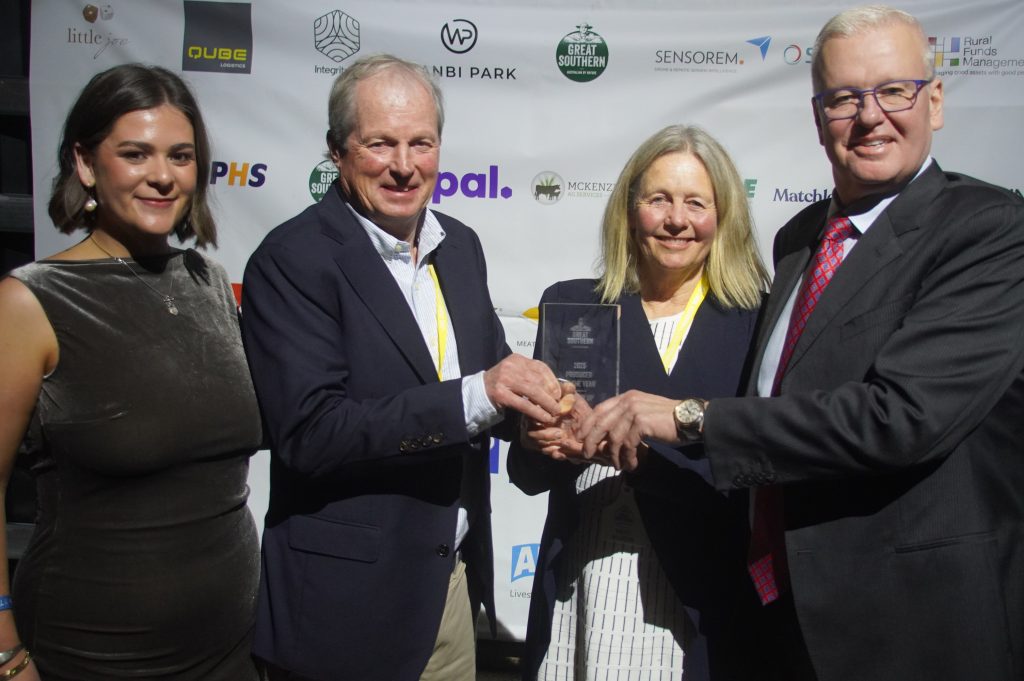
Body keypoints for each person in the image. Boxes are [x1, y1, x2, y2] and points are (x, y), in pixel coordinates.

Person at [574, 6, 1024, 681]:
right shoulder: (799, 241)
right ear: (818, 118)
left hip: (912, 625)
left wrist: (691, 416)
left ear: (934, 101)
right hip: (777, 615)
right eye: (844, 98)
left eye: (893, 90)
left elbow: (901, 418)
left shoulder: (989, 230)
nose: (869, 116)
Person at [241, 54, 564, 681]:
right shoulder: (292, 259)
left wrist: (546, 414)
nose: (404, 164)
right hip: (345, 610)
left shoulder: (459, 245)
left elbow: (489, 381)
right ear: (337, 151)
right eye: (380, 143)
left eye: (421, 143)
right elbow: (311, 433)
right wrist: (483, 393)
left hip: (451, 588)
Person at [0, 64, 263, 680]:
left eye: (180, 156)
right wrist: (5, 651)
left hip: (232, 649)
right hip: (93, 654)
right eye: (135, 154)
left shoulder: (208, 284)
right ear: (86, 164)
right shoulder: (31, 302)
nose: (163, 175)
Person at [508, 124, 769, 681]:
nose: (676, 220)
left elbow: (752, 482)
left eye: (696, 203)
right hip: (584, 588)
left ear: (723, 216)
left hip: (695, 600)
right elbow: (525, 475)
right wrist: (540, 442)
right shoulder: (575, 306)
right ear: (630, 212)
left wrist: (635, 457)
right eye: (659, 200)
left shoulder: (755, 323)